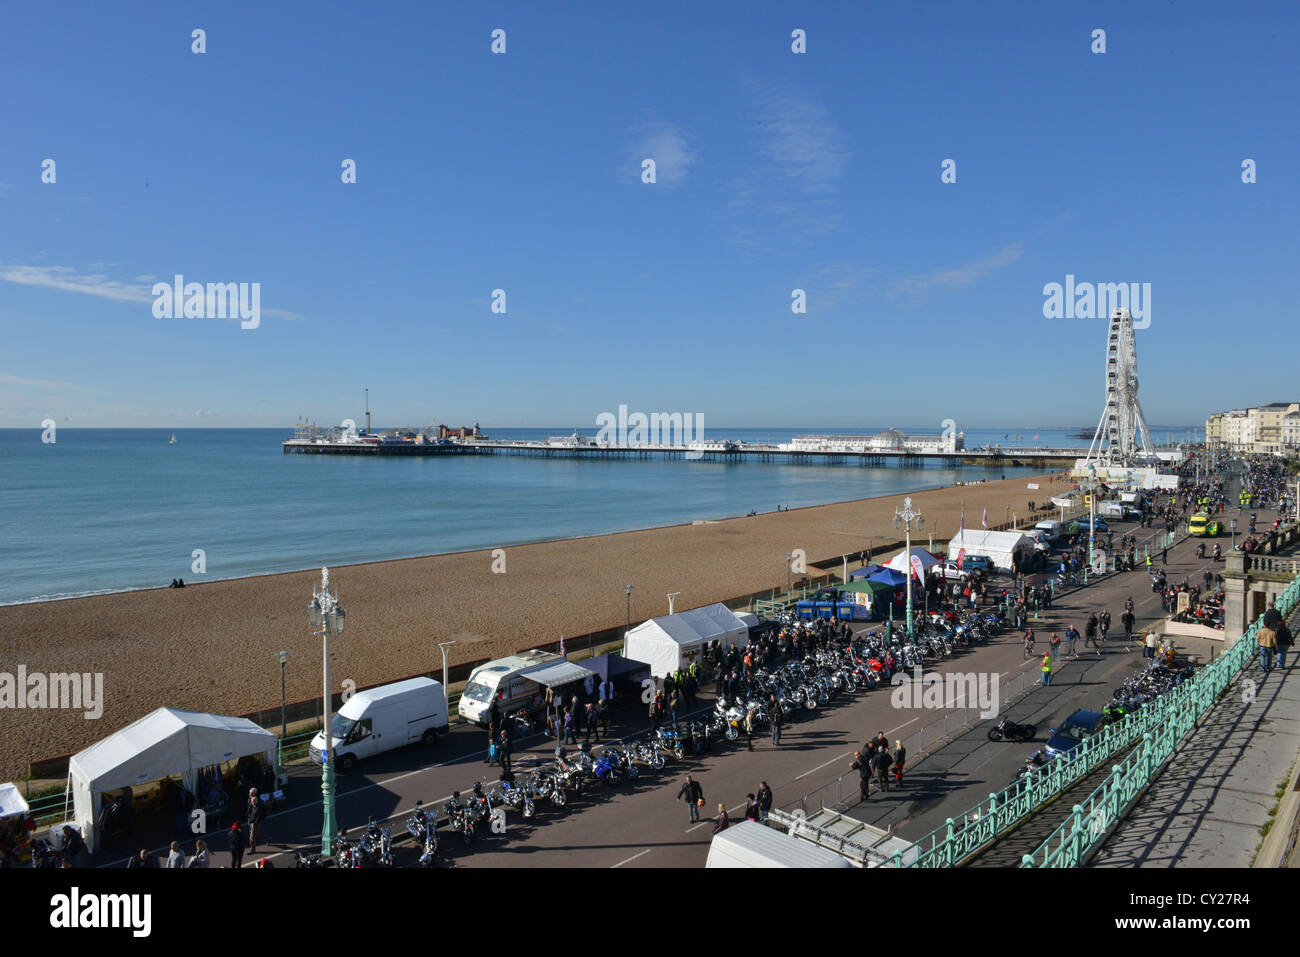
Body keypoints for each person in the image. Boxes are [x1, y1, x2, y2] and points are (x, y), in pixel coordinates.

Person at [247, 787, 268, 853]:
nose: (249, 794)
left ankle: (253, 849)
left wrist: (256, 822)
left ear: (254, 793)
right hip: (250, 818)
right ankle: (266, 839)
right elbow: (249, 808)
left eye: (251, 793)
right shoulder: (249, 799)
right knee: (255, 833)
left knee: (252, 835)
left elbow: (260, 813)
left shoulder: (258, 801)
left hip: (255, 821)